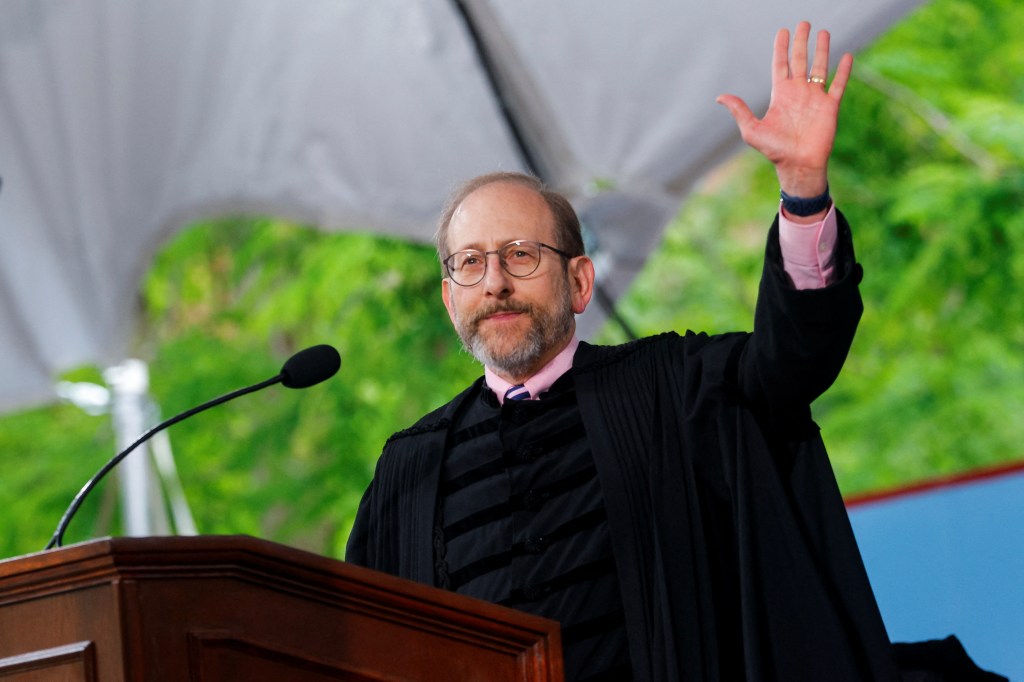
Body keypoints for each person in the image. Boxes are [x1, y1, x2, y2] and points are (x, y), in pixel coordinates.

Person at [347, 22, 901, 681]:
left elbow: (791, 361)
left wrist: (804, 191)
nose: (494, 280)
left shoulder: (672, 390)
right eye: (470, 263)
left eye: (520, 255)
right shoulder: (407, 472)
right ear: (449, 298)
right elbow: (352, 652)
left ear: (580, 281)